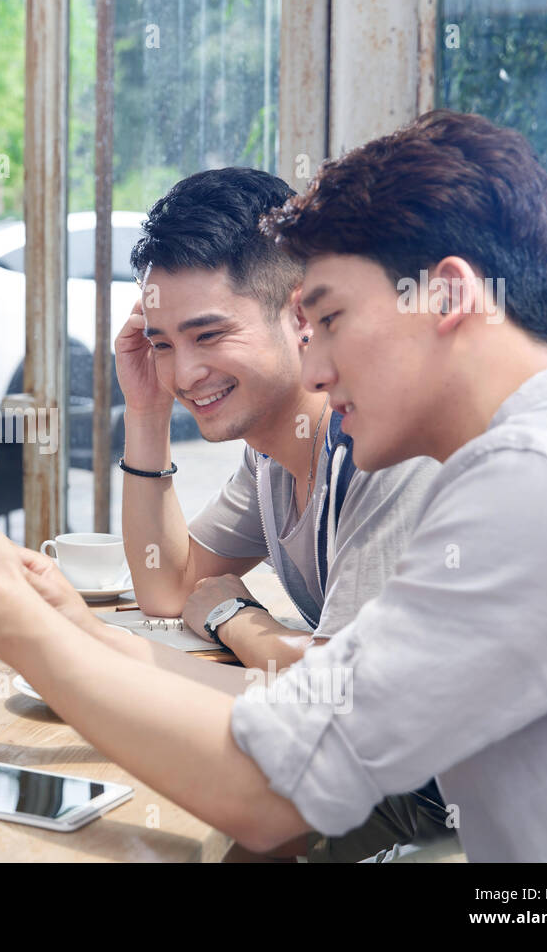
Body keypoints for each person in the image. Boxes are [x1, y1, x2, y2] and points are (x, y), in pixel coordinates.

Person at [0, 110, 547, 862]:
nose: (316, 368)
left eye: (329, 319)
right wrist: (75, 630)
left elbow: (269, 796)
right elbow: (304, 713)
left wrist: (6, 620)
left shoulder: (540, 489)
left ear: (445, 297)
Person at [116, 167, 446, 861]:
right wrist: (144, 413)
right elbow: (166, 586)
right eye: (162, 343)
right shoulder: (271, 454)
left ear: (300, 315)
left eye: (208, 335)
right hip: (366, 779)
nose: (182, 374)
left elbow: (334, 706)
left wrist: (241, 619)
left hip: (439, 816)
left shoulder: (381, 450)